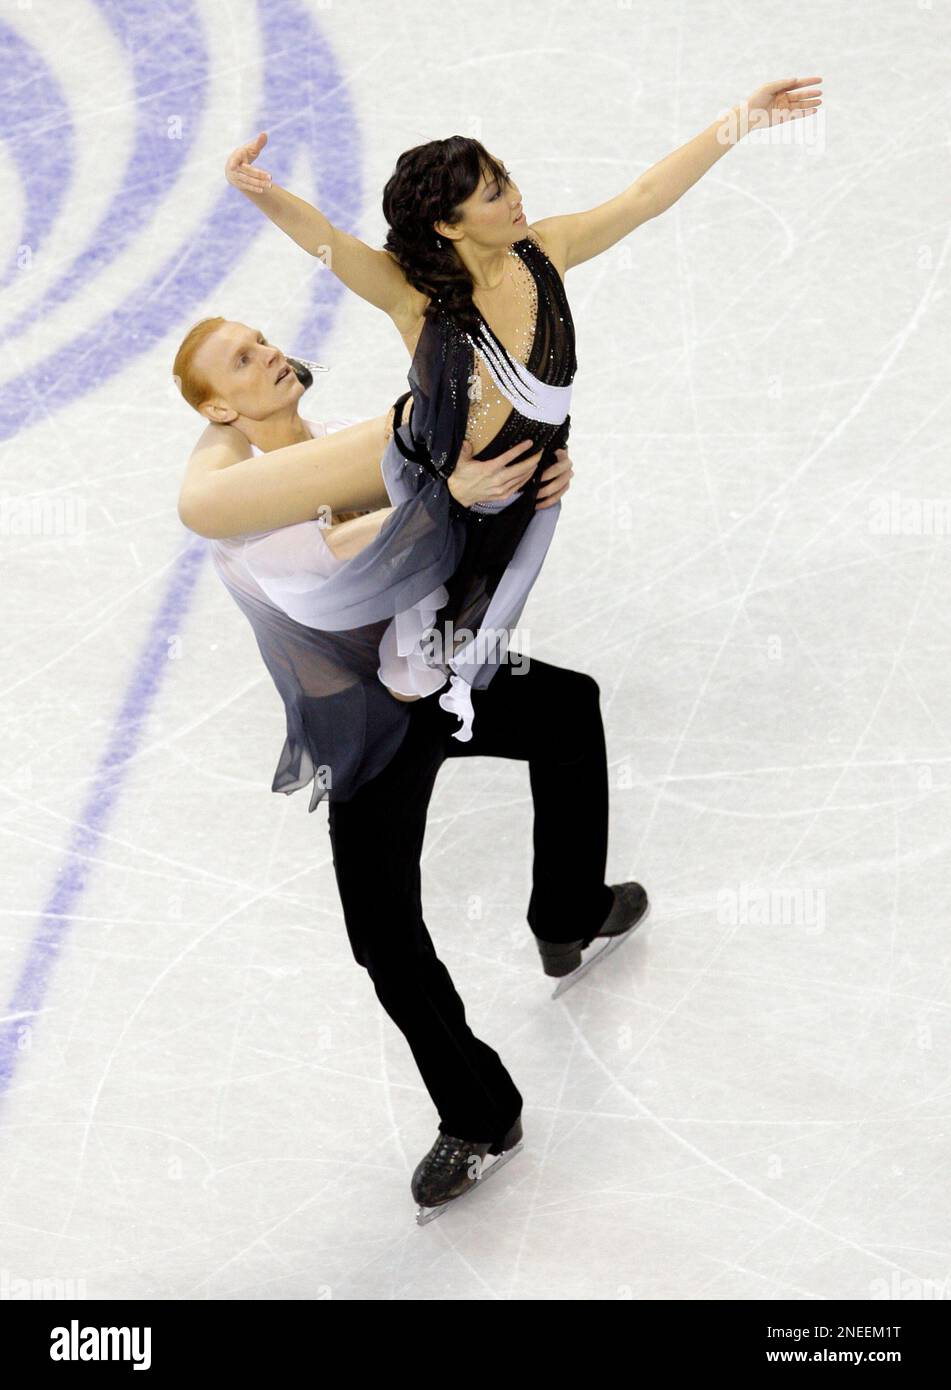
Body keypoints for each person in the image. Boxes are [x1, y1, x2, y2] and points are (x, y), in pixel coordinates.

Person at [173, 317, 649, 1217]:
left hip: (439, 670)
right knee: (386, 940)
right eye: (243, 359)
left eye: (262, 338)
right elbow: (351, 553)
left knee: (565, 708)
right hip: (374, 731)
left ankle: (570, 913)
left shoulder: (320, 448)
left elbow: (434, 516)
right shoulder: (241, 507)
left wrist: (529, 482)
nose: (270, 350)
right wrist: (451, 493)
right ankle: (478, 1116)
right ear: (220, 407)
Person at [221, 76, 823, 742]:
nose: (514, 196)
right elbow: (327, 240)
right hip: (438, 495)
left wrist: (740, 121)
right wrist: (263, 189)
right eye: (492, 193)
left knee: (461, 654)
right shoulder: (413, 299)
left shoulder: (545, 251)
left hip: (522, 496)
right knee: (409, 670)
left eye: (504, 177)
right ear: (448, 225)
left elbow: (645, 197)